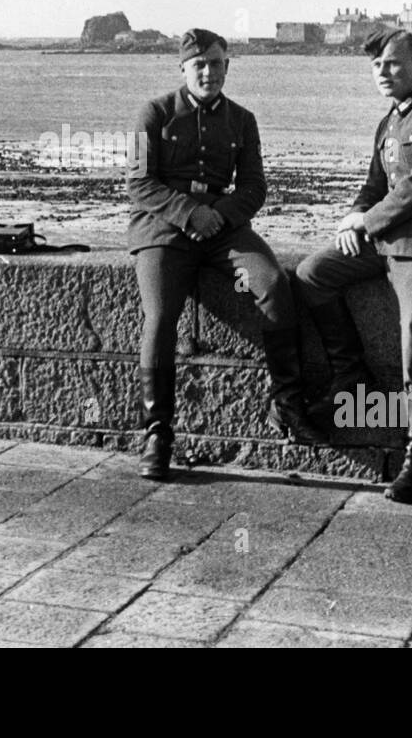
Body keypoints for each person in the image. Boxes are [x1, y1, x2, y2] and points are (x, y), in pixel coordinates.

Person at [127, 28, 322, 480]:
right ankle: (157, 432)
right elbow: (138, 184)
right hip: (163, 227)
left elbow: (254, 186)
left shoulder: (242, 120)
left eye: (216, 64)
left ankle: (287, 404)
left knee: (273, 285)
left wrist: (219, 216)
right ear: (183, 69)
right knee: (159, 317)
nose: (208, 72)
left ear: (227, 67)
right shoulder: (152, 113)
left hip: (222, 226)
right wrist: (190, 214)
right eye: (199, 65)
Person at [294, 29, 412, 503]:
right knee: (312, 274)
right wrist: (353, 218)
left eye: (393, 63)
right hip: (386, 242)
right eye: (376, 66)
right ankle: (351, 376)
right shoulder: (388, 123)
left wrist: (367, 223)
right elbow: (376, 186)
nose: (384, 73)